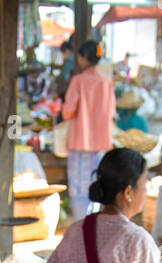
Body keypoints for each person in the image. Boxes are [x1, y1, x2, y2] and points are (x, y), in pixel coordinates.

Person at [45, 149, 162, 263]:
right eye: (144, 184)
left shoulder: (74, 231)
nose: (146, 190)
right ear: (128, 192)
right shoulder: (138, 239)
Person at [62, 40, 115, 221]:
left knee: (78, 189)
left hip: (80, 143)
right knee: (97, 184)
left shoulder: (78, 81)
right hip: (101, 144)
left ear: (84, 58)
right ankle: (95, 224)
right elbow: (111, 112)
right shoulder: (106, 83)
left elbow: (67, 112)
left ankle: (82, 227)